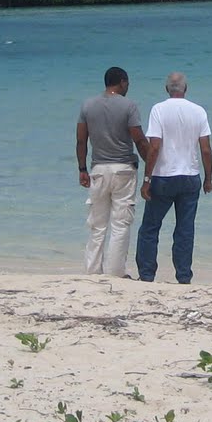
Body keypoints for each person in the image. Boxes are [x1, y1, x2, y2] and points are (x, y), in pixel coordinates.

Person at [136, 71, 212, 285]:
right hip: (189, 177)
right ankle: (183, 276)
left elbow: (154, 147)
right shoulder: (198, 111)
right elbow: (205, 150)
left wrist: (146, 179)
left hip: (163, 177)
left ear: (166, 89)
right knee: (185, 229)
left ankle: (147, 274)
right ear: (185, 89)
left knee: (150, 227)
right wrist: (208, 178)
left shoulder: (159, 110)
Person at [76, 67, 148, 276]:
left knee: (97, 224)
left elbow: (81, 139)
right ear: (122, 82)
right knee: (120, 222)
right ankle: (115, 271)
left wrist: (82, 168)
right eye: (127, 83)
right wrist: (151, 166)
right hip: (123, 169)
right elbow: (139, 138)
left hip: (98, 169)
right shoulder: (129, 106)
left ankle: (92, 270)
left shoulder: (88, 105)